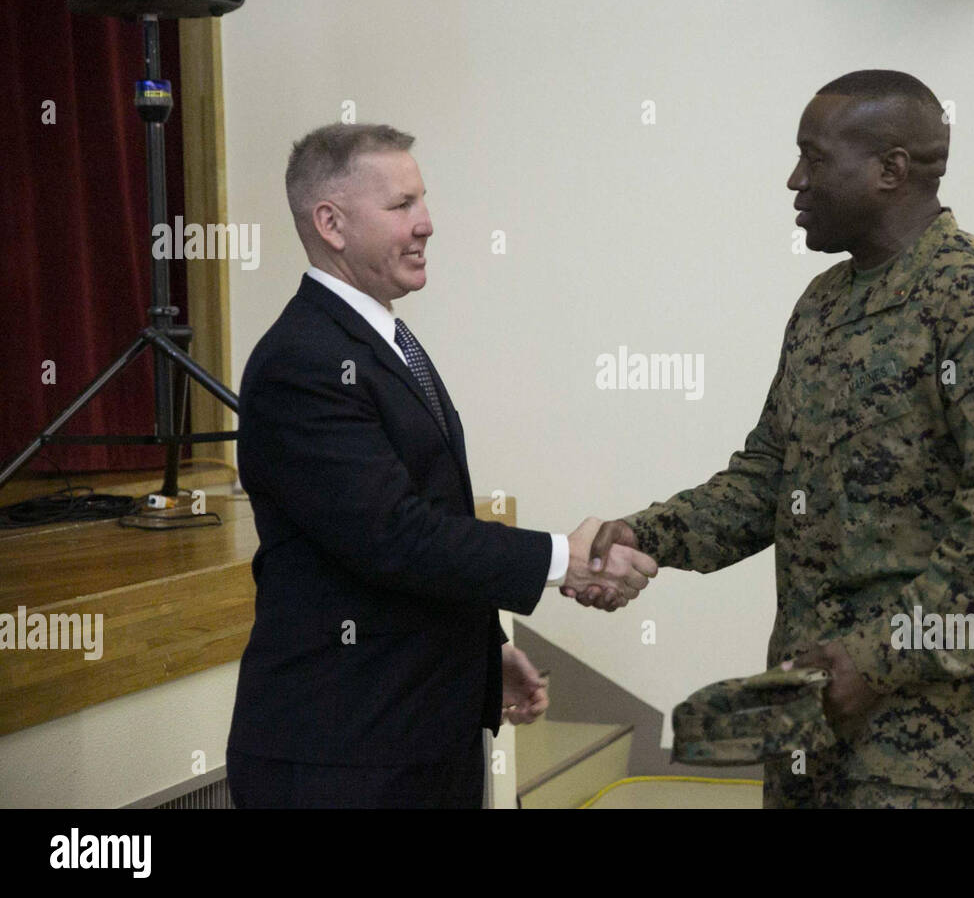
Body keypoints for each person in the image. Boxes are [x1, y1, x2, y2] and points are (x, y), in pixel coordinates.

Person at [578, 70, 974, 808]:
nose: (794, 181)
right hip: (808, 706)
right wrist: (646, 533)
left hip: (924, 732)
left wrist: (876, 662)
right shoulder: (823, 305)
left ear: (890, 170)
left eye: (814, 159)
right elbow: (766, 476)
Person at [226, 123, 656, 808]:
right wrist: (560, 558)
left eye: (422, 200)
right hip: (342, 756)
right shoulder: (303, 361)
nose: (427, 224)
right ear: (331, 223)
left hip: (416, 733)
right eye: (401, 206)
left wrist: (484, 657)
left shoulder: (379, 336)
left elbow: (423, 525)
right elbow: (394, 535)